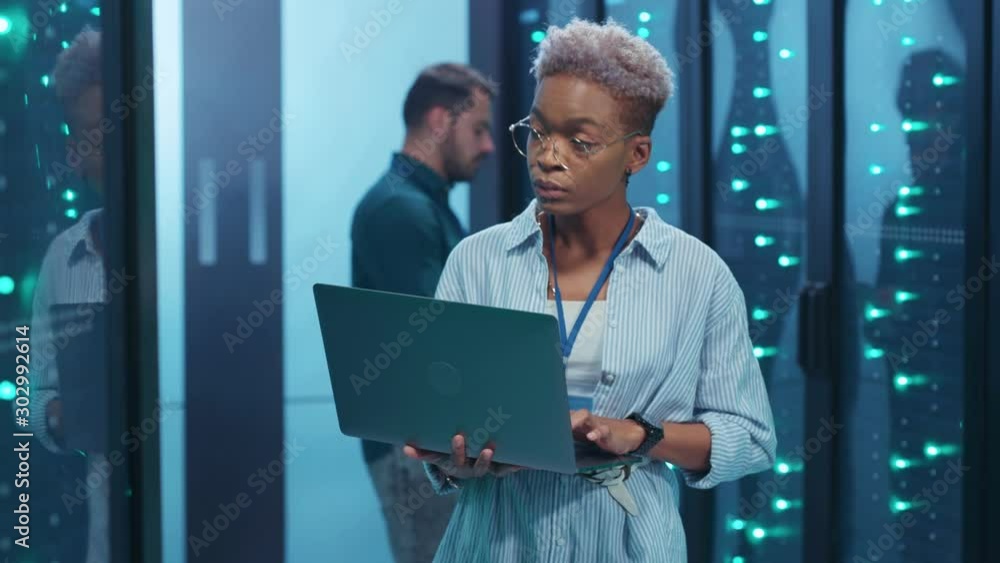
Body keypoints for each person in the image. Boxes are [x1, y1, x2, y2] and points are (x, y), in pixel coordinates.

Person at [403, 19, 776, 562]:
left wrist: (641, 435)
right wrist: (452, 460)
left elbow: (751, 438)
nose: (547, 157)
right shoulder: (477, 261)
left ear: (637, 155)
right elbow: (441, 413)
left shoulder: (697, 275)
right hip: (495, 545)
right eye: (536, 131)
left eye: (580, 142)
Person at [350, 62, 497, 563]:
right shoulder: (401, 209)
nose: (488, 146)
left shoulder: (421, 204)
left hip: (430, 445)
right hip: (417, 450)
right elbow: (439, 341)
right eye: (478, 129)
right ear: (439, 120)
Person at [29, 26, 111, 563]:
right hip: (110, 538)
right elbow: (28, 391)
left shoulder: (190, 249)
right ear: (74, 152)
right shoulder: (62, 257)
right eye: (95, 134)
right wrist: (70, 414)